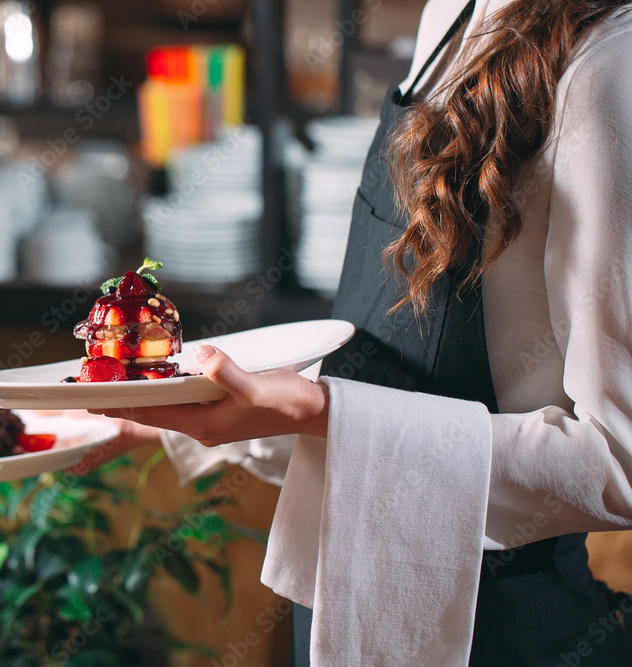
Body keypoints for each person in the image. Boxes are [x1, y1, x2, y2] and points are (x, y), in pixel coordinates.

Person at [79, 0, 632, 663]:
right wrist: (180, 411)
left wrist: (326, 412)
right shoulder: (451, 14)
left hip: (502, 631)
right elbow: (392, 385)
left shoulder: (606, 67)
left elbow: (618, 464)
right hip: (348, 600)